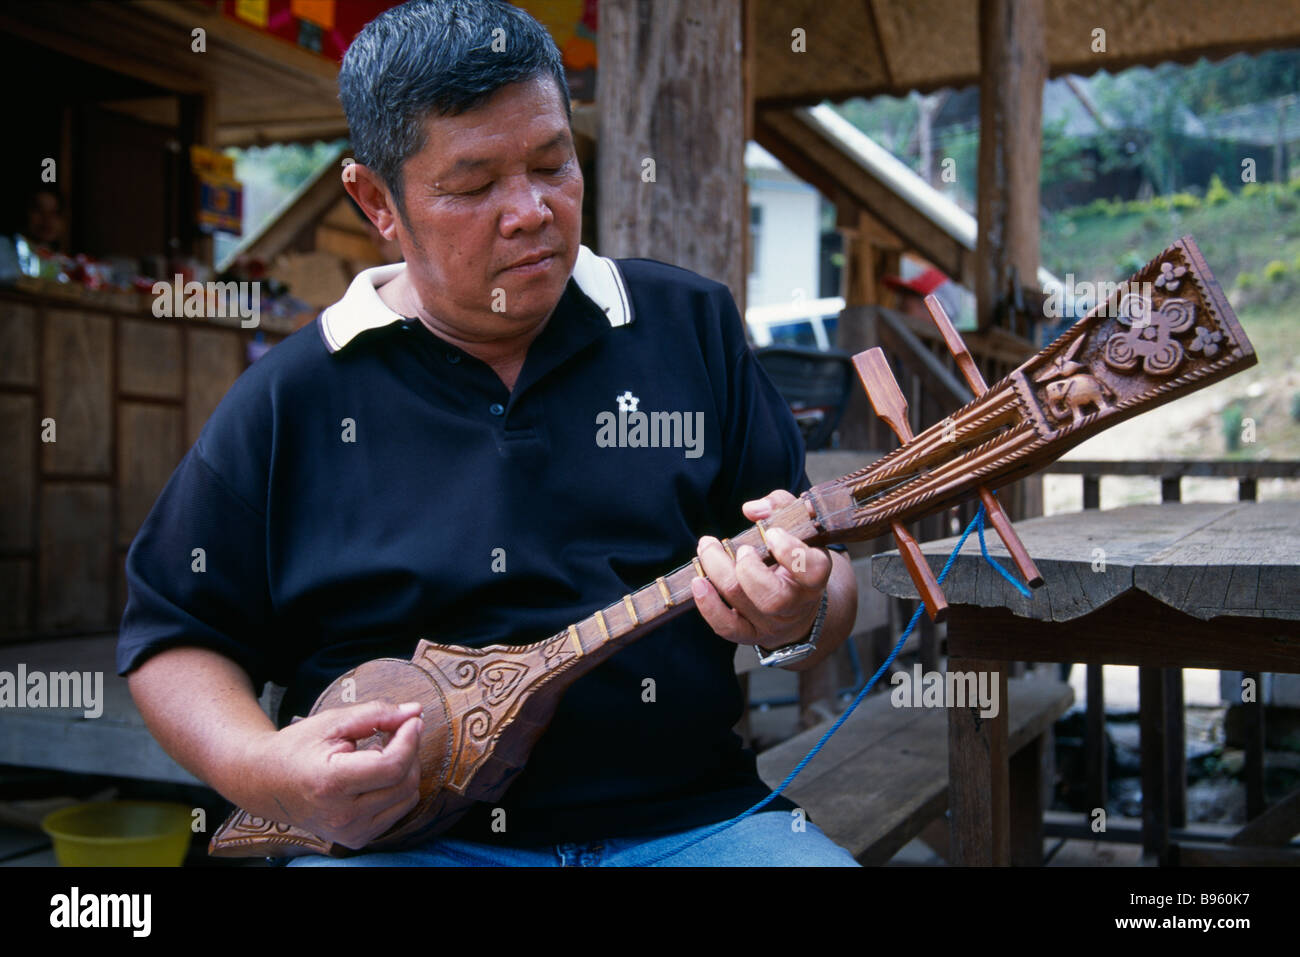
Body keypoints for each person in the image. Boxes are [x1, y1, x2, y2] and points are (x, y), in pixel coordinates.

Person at [117, 0, 859, 867]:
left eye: (553, 164)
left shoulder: (685, 326)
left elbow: (823, 569)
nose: (531, 211)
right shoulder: (296, 396)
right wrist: (263, 768)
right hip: (405, 847)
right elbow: (175, 635)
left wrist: (802, 609)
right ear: (376, 201)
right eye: (472, 187)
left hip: (692, 821)